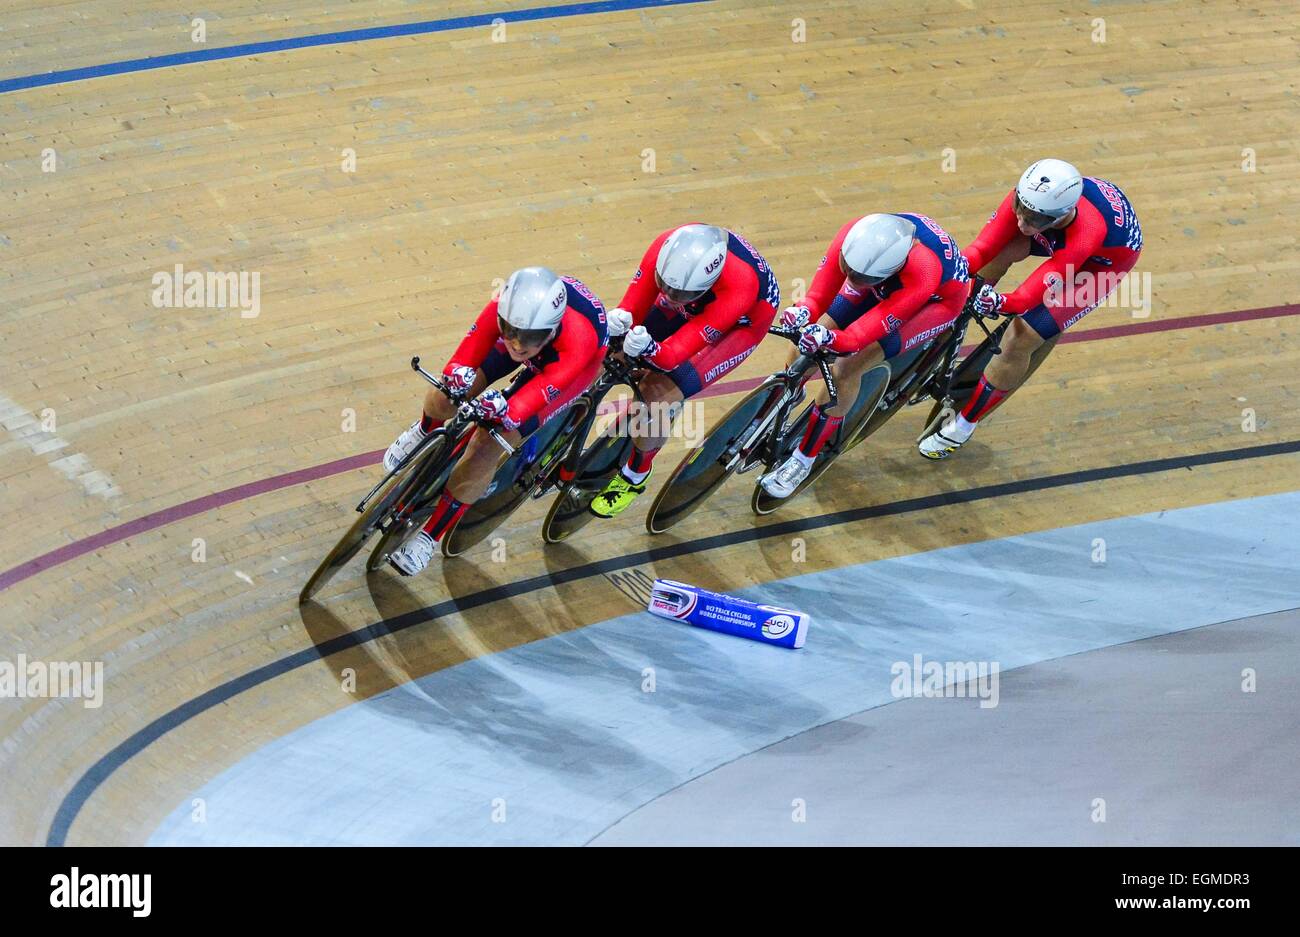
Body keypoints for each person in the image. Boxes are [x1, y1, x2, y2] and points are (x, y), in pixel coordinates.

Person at [383, 267, 607, 574]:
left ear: (551, 329)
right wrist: (457, 379)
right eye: (510, 331)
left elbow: (529, 402)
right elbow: (462, 358)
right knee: (447, 392)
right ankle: (424, 430)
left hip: (567, 370)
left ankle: (429, 536)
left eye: (528, 338)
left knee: (487, 444)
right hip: (541, 340)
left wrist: (504, 410)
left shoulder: (578, 340)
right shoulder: (503, 309)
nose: (516, 344)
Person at [918, 159, 1143, 459]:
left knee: (1020, 336)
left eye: (1034, 219)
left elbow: (1026, 296)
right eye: (1020, 209)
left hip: (1103, 262)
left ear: (1062, 214)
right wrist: (954, 278)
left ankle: (963, 426)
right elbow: (981, 249)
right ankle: (944, 331)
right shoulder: (1029, 201)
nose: (1023, 223)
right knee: (999, 252)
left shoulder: (1085, 232)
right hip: (1057, 227)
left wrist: (1001, 302)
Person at [760, 212, 970, 497]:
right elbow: (821, 294)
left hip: (935, 302)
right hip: (882, 279)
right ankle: (787, 397)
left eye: (862, 277)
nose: (854, 280)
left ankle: (803, 459)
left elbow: (859, 336)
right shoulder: (853, 237)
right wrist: (805, 311)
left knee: (848, 366)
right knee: (806, 341)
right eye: (850, 271)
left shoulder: (924, 270)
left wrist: (832, 339)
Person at [591, 223, 780, 517]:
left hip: (740, 322)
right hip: (700, 292)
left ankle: (636, 474)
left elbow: (672, 355)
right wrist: (619, 324)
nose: (670, 296)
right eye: (665, 287)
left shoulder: (740, 285)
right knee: (605, 350)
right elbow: (632, 306)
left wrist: (651, 351)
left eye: (681, 293)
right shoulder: (665, 247)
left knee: (656, 393)